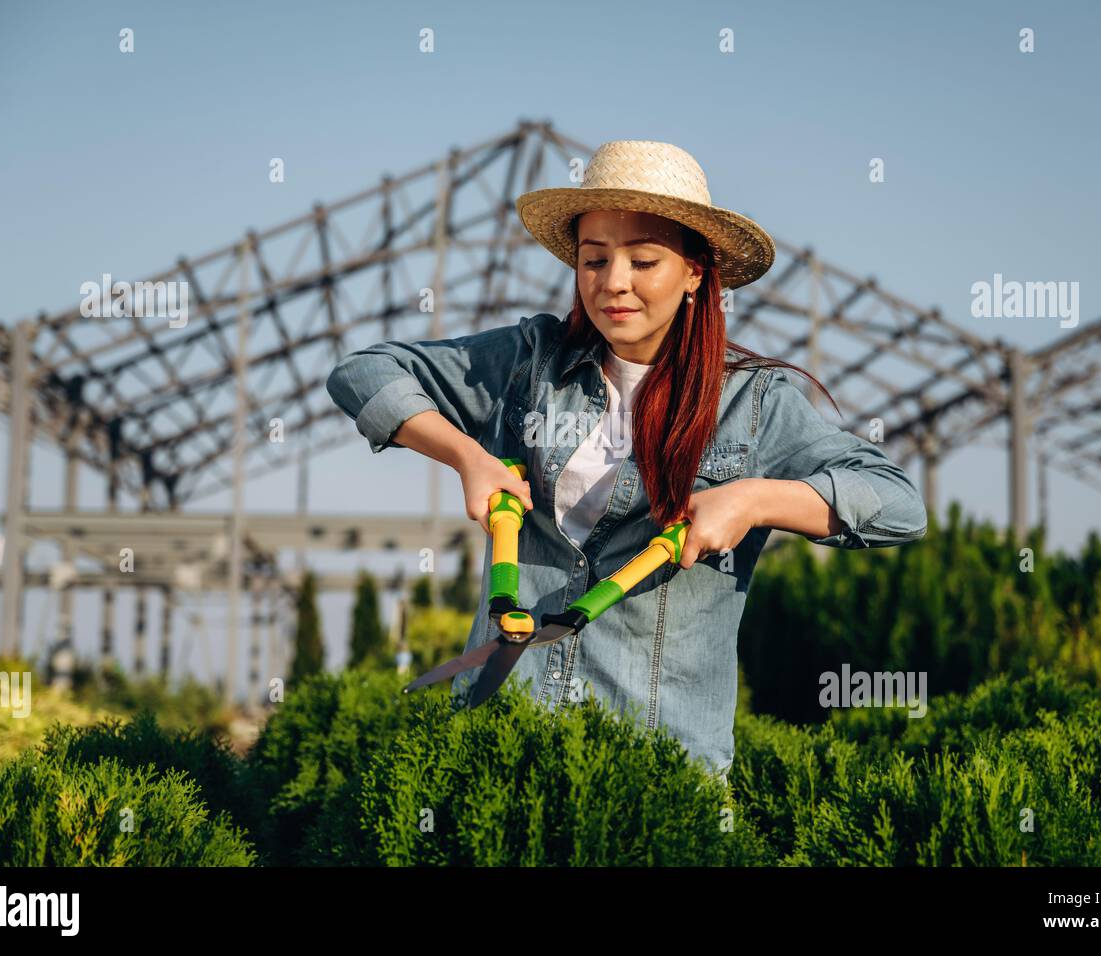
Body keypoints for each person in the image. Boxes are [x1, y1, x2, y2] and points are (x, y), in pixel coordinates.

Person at [326, 139, 928, 788]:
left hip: (660, 776)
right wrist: (467, 456)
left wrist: (755, 500)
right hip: (501, 758)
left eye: (643, 260)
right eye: (594, 260)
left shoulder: (751, 405)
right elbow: (363, 373)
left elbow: (897, 503)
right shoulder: (530, 363)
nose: (613, 282)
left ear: (697, 272)